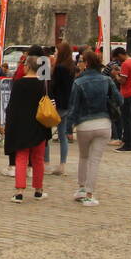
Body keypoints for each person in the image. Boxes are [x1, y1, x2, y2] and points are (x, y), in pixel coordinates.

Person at [69, 50, 118, 207]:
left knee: (83, 157)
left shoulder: (78, 82)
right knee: (95, 160)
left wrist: (68, 128)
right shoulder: (107, 80)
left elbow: (73, 107)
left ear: (86, 64)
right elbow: (119, 99)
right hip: (103, 123)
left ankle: (81, 188)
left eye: (81, 61)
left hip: (84, 125)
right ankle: (89, 194)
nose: (79, 63)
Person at [4, 52, 52, 202]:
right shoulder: (42, 84)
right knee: (38, 158)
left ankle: (19, 190)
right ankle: (38, 189)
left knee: (21, 156)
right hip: (39, 124)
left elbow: (12, 107)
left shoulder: (18, 84)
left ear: (29, 66)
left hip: (21, 124)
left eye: (24, 64)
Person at [46, 42, 76, 173]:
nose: (55, 52)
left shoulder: (59, 68)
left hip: (56, 104)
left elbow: (53, 86)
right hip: (67, 104)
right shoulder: (71, 67)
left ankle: (45, 162)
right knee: (62, 134)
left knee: (45, 134)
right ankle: (62, 164)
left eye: (57, 50)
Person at [112, 47, 131, 151]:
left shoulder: (125, 64)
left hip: (127, 93)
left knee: (126, 120)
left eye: (117, 58)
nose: (118, 61)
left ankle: (128, 144)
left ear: (120, 55)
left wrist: (116, 75)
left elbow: (123, 81)